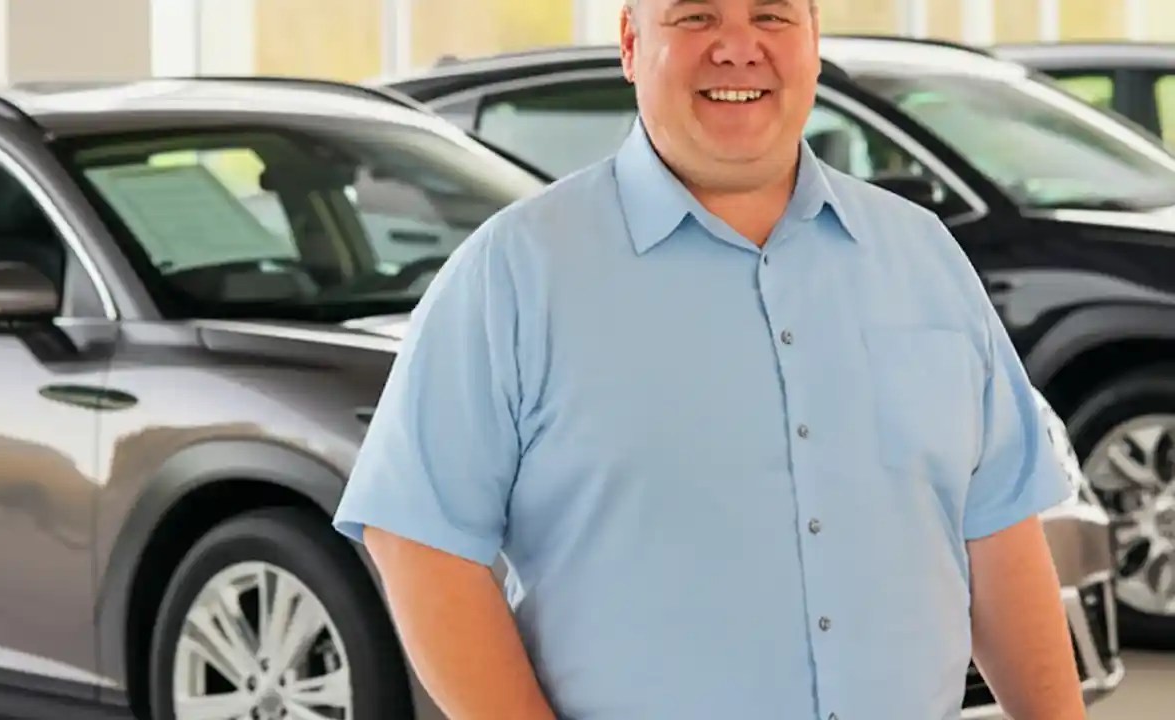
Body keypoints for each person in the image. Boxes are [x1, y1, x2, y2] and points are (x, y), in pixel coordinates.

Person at [333, 0, 1087, 718]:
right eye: (696, 15)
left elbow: (996, 532)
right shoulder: (515, 271)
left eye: (771, 15)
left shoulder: (922, 254)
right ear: (631, 45)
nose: (738, 45)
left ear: (812, 40)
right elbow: (420, 541)